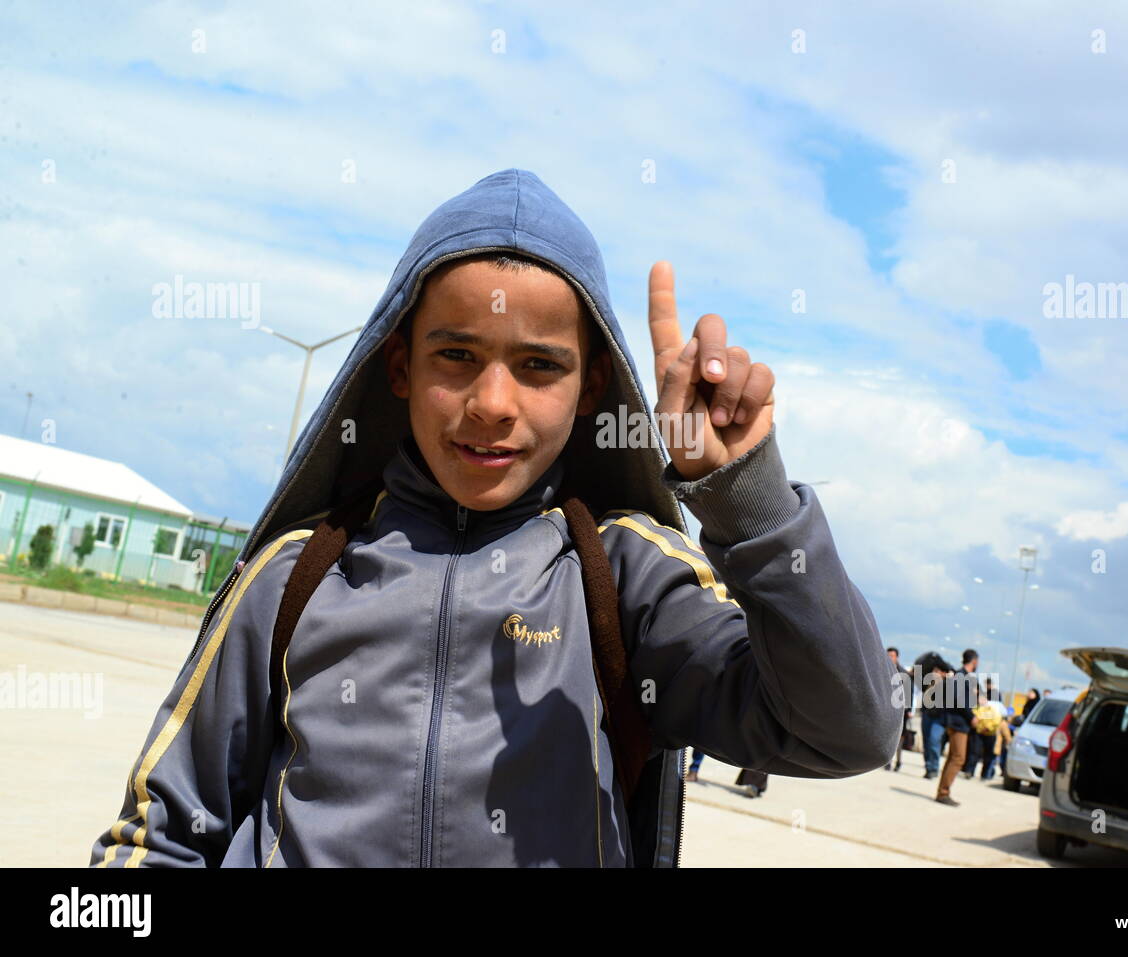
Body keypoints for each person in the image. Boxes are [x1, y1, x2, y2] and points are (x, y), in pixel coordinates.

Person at [88, 168, 903, 868]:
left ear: (591, 390)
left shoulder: (622, 580)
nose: (492, 404)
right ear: (399, 364)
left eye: (539, 365)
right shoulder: (294, 578)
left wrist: (744, 493)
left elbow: (846, 731)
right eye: (457, 355)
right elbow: (159, 835)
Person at [936, 648, 981, 805]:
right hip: (958, 722)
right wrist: (971, 716)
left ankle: (942, 791)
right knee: (958, 758)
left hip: (959, 721)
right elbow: (958, 700)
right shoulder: (961, 676)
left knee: (953, 758)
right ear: (974, 661)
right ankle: (943, 793)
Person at [916, 651, 954, 779]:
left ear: (944, 673)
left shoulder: (947, 685)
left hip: (939, 718)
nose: (936, 673)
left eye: (939, 671)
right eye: (935, 671)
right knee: (927, 742)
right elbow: (919, 664)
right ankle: (928, 767)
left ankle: (934, 768)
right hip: (927, 714)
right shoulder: (928, 683)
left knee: (934, 741)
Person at [887, 646, 912, 771]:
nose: (890, 658)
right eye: (888, 655)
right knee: (888, 737)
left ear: (897, 657)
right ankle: (887, 762)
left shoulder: (903, 673)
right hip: (887, 709)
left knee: (899, 739)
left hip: (901, 711)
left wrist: (908, 710)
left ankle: (898, 761)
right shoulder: (882, 670)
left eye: (892, 656)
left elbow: (908, 694)